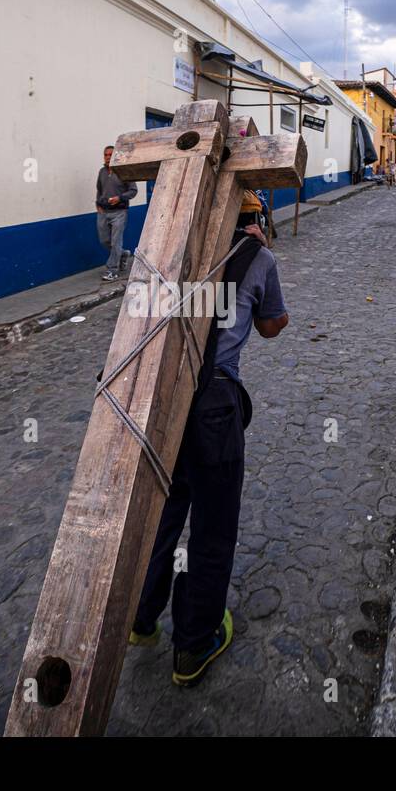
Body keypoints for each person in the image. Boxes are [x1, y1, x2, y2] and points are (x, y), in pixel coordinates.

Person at [128, 211, 289, 687]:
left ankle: (139, 615)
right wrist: (258, 253)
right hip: (215, 407)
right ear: (252, 215)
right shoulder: (257, 257)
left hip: (162, 396)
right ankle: (194, 645)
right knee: (213, 528)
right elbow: (272, 325)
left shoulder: (167, 254)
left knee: (164, 507)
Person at [96, 145, 138, 281]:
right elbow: (99, 190)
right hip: (103, 212)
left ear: (116, 155)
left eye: (110, 155)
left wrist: (119, 198)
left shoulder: (124, 171)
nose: (108, 157)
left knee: (116, 242)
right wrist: (98, 204)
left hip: (119, 212)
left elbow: (133, 191)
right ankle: (124, 254)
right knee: (104, 241)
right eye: (106, 155)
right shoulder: (102, 172)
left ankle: (112, 270)